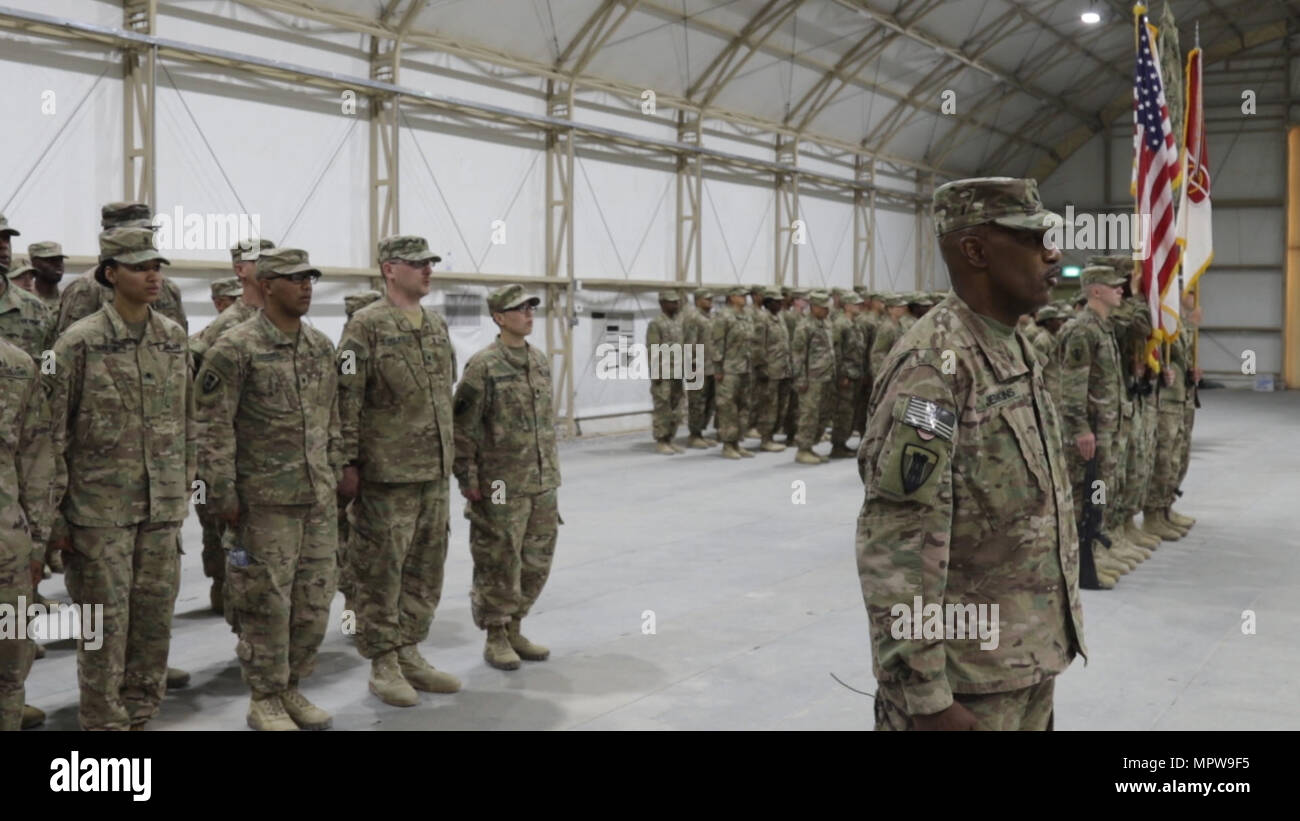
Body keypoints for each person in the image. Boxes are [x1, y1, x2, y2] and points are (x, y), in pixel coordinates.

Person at [857, 177, 1085, 731]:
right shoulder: (935, 369)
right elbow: (899, 543)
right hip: (965, 686)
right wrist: (926, 696)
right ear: (976, 251)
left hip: (1025, 663)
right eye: (1033, 240)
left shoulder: (1013, 343)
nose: (1053, 254)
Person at [46, 226, 193, 731]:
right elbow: (52, 436)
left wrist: (183, 489)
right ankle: (103, 720)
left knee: (152, 622)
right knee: (102, 627)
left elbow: (188, 420)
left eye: (157, 266)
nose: (153, 275)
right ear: (111, 274)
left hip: (161, 508)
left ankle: (142, 710)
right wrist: (56, 517)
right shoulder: (79, 343)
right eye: (139, 267)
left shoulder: (173, 340)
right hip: (97, 512)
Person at [194, 247, 343, 731]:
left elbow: (332, 418)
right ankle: (265, 697)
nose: (306, 287)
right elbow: (212, 428)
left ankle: (294, 686)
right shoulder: (235, 348)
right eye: (296, 278)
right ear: (269, 283)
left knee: (314, 603)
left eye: (311, 279)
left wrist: (336, 471)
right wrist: (223, 496)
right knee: (265, 605)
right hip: (262, 504)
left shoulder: (320, 347)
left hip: (315, 499)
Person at [336, 235, 461, 705]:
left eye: (430, 263)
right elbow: (346, 399)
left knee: (426, 569)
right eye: (416, 264)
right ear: (390, 270)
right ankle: (382, 662)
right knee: (380, 571)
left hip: (433, 471)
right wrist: (347, 463)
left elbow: (444, 391)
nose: (427, 270)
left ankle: (410, 651)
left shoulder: (435, 324)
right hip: (386, 476)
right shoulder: (365, 327)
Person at [453, 284, 560, 671]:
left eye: (532, 308)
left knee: (536, 559)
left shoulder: (540, 361)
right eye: (520, 309)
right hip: (499, 483)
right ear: (499, 318)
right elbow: (463, 427)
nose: (529, 315)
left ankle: (516, 625)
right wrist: (468, 478)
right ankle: (495, 634)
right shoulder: (484, 365)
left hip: (542, 479)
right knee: (499, 558)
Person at [1056, 265, 1143, 585]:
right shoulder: (1082, 330)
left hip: (1107, 427)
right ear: (1095, 290)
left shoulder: (1103, 327)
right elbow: (1072, 387)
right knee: (1084, 497)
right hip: (1091, 431)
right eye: (1114, 286)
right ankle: (1079, 567)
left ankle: (1092, 557)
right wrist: (1080, 428)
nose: (1121, 290)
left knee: (1098, 495)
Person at [0, 334, 53, 731]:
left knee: (11, 651)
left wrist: (37, 543)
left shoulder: (18, 365)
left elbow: (36, 460)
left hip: (7, 541)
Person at [55, 203, 188, 336]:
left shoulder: (167, 289)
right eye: (134, 233)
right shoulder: (83, 289)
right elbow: (65, 346)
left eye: (148, 232)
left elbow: (180, 343)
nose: (143, 239)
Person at [790, 290, 835, 465]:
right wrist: (800, 379)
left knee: (821, 414)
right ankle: (802, 449)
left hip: (825, 376)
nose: (826, 310)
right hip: (812, 378)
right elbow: (798, 356)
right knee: (808, 414)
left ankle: (810, 447)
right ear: (814, 307)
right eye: (823, 307)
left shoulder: (825, 324)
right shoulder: (805, 326)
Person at [711, 286, 754, 459]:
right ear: (731, 297)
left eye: (745, 295)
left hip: (745, 367)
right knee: (727, 407)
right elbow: (716, 344)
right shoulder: (723, 316)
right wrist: (718, 368)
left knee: (743, 407)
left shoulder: (747, 316)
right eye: (741, 295)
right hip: (729, 369)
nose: (745, 298)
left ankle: (737, 442)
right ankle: (728, 445)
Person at [750, 287, 791, 452]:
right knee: (769, 406)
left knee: (781, 406)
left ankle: (772, 435)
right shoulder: (762, 319)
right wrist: (761, 368)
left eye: (781, 301)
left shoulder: (779, 318)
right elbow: (757, 346)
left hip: (782, 369)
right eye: (777, 301)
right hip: (770, 371)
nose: (780, 303)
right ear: (769, 303)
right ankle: (765, 438)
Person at [646, 290, 684, 455]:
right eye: (671, 302)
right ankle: (661, 440)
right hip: (663, 372)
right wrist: (656, 371)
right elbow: (652, 348)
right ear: (662, 303)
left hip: (677, 371)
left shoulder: (678, 322)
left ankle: (670, 438)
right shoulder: (656, 323)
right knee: (663, 407)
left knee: (676, 407)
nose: (675, 305)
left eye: (676, 302)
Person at [829, 291, 864, 458]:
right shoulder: (840, 324)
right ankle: (837, 445)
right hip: (846, 375)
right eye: (856, 304)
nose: (859, 306)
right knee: (842, 411)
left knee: (850, 411)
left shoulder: (854, 323)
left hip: (856, 374)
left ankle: (842, 442)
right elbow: (836, 351)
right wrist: (841, 374)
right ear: (847, 306)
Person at [680, 289, 716, 448]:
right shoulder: (693, 318)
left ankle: (701, 431)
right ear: (698, 300)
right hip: (697, 366)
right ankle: (694, 435)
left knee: (709, 402)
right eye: (706, 299)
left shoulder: (712, 318)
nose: (710, 301)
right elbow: (689, 343)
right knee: (697, 402)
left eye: (711, 299)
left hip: (711, 366)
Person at [27, 241, 66, 314]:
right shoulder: (24, 301)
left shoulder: (69, 300)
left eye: (60, 259)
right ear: (34, 263)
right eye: (50, 260)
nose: (58, 264)